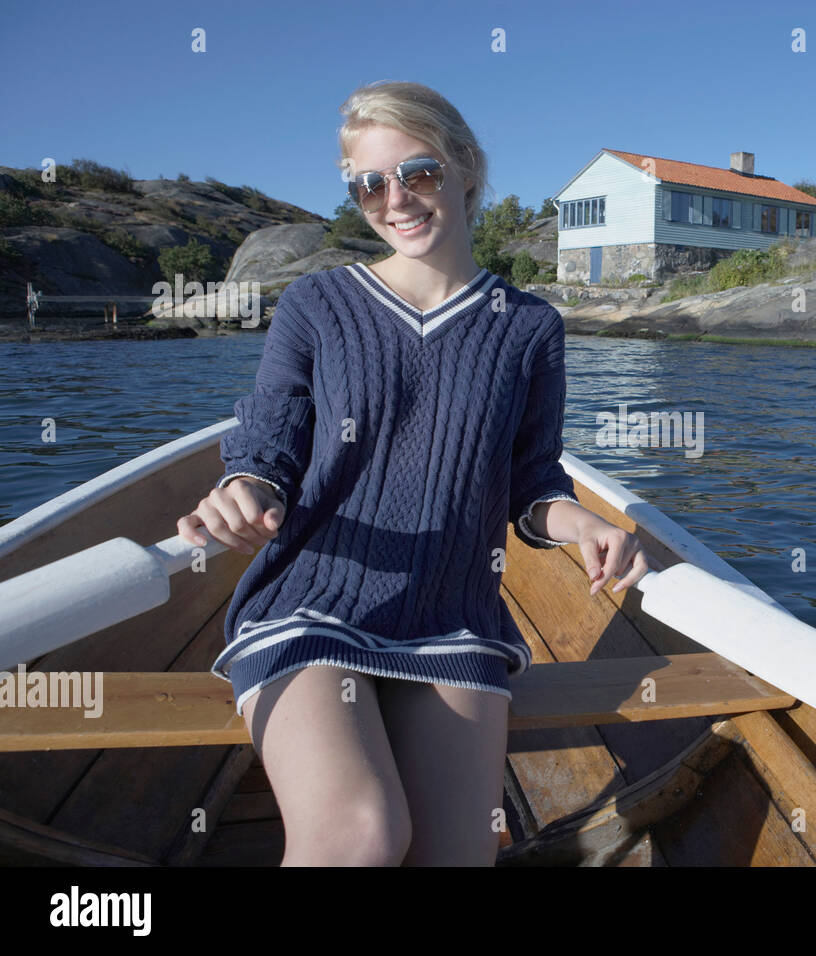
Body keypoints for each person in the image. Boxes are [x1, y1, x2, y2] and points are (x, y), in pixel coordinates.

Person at [176, 80, 653, 867]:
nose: (394, 199)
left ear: (466, 168)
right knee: (361, 833)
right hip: (312, 604)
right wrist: (243, 492)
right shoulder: (316, 304)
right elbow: (271, 448)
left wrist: (589, 525)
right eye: (368, 184)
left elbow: (532, 483)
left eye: (418, 173)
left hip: (452, 615)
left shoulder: (529, 328)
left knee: (456, 855)